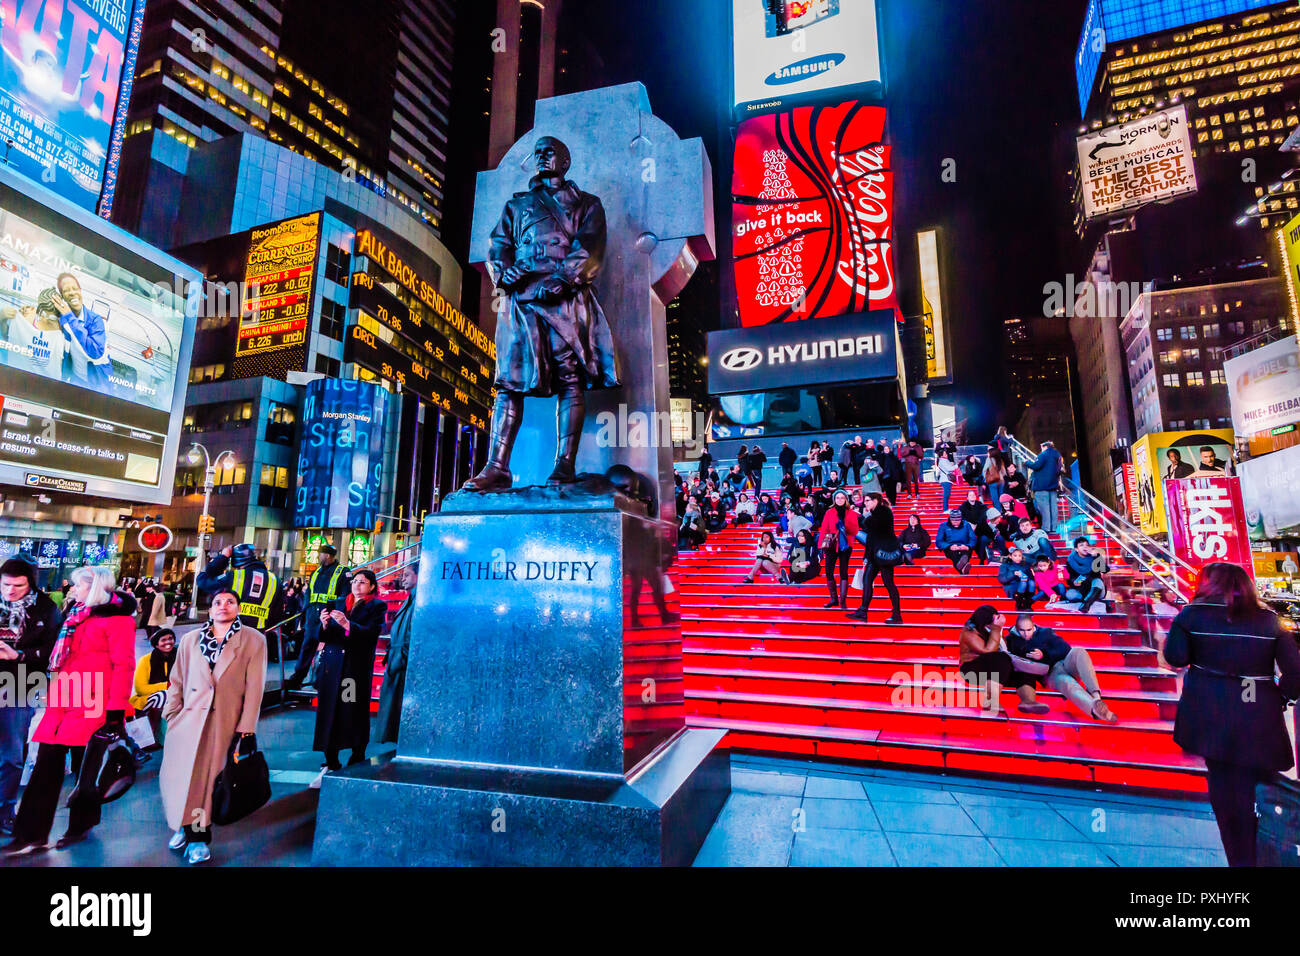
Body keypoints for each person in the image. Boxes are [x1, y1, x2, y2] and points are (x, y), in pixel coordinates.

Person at [1164, 562, 1300, 866]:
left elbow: (1176, 656)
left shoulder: (1191, 615)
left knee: (1226, 793)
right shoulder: (1269, 621)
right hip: (1256, 706)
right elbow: (1295, 673)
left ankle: (1242, 859)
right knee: (1258, 785)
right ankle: (1267, 846)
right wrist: (1279, 697)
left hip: (1211, 711)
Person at [4, 567, 135, 855]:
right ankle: (30, 834)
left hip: (94, 702)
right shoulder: (75, 614)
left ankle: (79, 826)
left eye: (78, 585)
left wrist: (114, 713)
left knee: (85, 770)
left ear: (95, 587)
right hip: (64, 697)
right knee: (45, 767)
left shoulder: (118, 621)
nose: (73, 589)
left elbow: (124, 666)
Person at [158, 590, 265, 865]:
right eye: (218, 602)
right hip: (188, 721)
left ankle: (198, 838)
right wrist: (172, 713)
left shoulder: (253, 640)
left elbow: (255, 687)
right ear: (210, 608)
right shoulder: (192, 639)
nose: (223, 607)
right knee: (180, 778)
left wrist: (246, 728)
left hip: (223, 722)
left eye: (230, 602)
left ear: (239, 608)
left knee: (208, 782)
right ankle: (182, 825)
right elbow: (177, 679)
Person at [0, 557, 61, 835]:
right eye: (5, 584)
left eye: (18, 585)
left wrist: (20, 655)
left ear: (31, 583)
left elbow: (54, 651)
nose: (10, 591)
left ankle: (4, 809)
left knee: (12, 755)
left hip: (22, 682)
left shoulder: (46, 608)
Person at [313, 569, 386, 778]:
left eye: (362, 582)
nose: (357, 585)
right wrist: (325, 624)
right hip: (332, 666)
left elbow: (372, 634)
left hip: (353, 669)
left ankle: (356, 753)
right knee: (329, 710)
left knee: (351, 708)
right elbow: (324, 636)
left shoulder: (376, 606)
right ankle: (330, 757)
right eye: (355, 581)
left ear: (372, 586)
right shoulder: (338, 603)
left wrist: (348, 625)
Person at [1006, 612, 1118, 723]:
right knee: (1068, 683)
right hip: (1049, 673)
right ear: (1016, 628)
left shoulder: (1045, 632)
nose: (1026, 634)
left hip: (1064, 663)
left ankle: (1096, 696)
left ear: (1033, 626)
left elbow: (1065, 649)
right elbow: (1020, 659)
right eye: (1022, 631)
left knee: (1079, 651)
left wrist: (1044, 654)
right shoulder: (1011, 640)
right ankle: (1095, 709)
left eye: (1029, 630)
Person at [957, 606, 1048, 716]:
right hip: (971, 670)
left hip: (995, 670)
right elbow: (988, 651)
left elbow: (1003, 647)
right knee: (1001, 658)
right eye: (991, 622)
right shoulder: (969, 632)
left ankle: (1028, 701)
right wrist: (996, 629)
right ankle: (990, 701)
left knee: (1023, 670)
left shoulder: (989, 629)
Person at [285, 544, 351, 691]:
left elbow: (345, 596)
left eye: (320, 554)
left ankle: (322, 678)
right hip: (313, 615)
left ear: (327, 555)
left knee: (329, 647)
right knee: (307, 646)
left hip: (330, 614)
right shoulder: (316, 572)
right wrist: (306, 611)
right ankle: (298, 677)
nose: (318, 556)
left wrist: (336, 615)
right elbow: (309, 593)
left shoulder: (343, 572)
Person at [377, 564, 419, 745]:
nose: (402, 578)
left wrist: (402, 657)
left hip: (402, 662)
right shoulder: (410, 599)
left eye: (407, 575)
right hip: (398, 660)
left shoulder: (417, 600)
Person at [196, 543, 281, 632]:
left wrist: (223, 557)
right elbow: (277, 615)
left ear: (236, 562)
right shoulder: (275, 580)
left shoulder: (233, 577)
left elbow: (202, 580)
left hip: (231, 633)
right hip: (258, 636)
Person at [847, 493, 903, 624]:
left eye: (868, 501)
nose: (865, 503)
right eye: (865, 501)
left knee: (889, 583)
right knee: (867, 580)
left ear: (876, 501)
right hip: (875, 554)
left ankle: (897, 615)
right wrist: (866, 557)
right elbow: (871, 538)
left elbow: (870, 526)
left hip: (884, 554)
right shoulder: (875, 513)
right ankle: (863, 611)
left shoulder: (884, 512)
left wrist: (860, 516)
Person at [52, 272, 114, 392]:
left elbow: (95, 352)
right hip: (76, 380)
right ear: (62, 296)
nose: (72, 293)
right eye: (66, 290)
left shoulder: (96, 320)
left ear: (80, 291)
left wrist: (70, 317)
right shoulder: (63, 320)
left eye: (75, 288)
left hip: (99, 384)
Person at [130, 628, 177, 746]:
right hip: (147, 699)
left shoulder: (180, 657)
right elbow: (141, 688)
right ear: (156, 644)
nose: (168, 642)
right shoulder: (146, 660)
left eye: (170, 638)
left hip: (176, 695)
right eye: (163, 640)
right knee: (162, 696)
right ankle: (151, 736)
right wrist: (166, 686)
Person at [818, 491, 861, 609]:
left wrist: (843, 526)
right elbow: (823, 529)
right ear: (834, 499)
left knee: (843, 571)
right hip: (831, 544)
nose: (840, 500)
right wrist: (821, 546)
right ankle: (833, 598)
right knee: (828, 571)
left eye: (842, 498)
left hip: (845, 545)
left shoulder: (851, 513)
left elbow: (855, 530)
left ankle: (842, 600)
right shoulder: (829, 512)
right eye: (837, 497)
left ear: (846, 499)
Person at [1025, 441, 1064, 534]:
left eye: (1041, 447)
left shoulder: (1043, 455)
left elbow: (1036, 465)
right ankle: (1053, 528)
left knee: (1044, 508)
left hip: (1041, 486)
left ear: (1045, 446)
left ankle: (1046, 528)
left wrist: (1027, 462)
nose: (1041, 449)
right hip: (1053, 486)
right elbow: (1060, 470)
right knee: (1053, 508)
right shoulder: (1058, 455)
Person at [1064, 538, 1109, 613]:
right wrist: (1073, 582)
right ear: (1076, 549)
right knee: (1070, 595)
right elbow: (1070, 579)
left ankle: (1086, 604)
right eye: (1081, 545)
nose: (1085, 547)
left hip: (1097, 589)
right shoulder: (1071, 560)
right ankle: (1090, 599)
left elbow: (1105, 570)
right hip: (1082, 590)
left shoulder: (1094, 557)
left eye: (1087, 545)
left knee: (1097, 580)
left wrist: (1096, 557)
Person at [937, 509, 977, 574]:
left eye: (958, 519)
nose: (955, 521)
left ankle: (962, 568)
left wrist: (968, 546)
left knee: (965, 554)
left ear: (961, 519)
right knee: (955, 554)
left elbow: (973, 539)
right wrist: (949, 546)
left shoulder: (966, 525)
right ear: (950, 519)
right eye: (953, 519)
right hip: (950, 547)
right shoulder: (943, 526)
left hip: (964, 546)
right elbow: (939, 541)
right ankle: (963, 570)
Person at [876, 441, 903, 506]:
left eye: (887, 449)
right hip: (885, 476)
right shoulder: (881, 457)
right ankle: (889, 502)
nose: (886, 450)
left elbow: (898, 467)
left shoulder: (894, 457)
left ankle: (893, 502)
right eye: (885, 449)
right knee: (887, 490)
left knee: (893, 490)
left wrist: (898, 475)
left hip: (893, 476)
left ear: (889, 450)